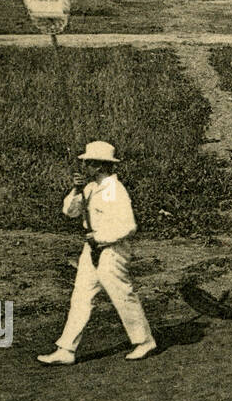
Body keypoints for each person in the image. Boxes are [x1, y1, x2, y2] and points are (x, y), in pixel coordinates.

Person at [37, 141, 156, 365]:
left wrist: (100, 237)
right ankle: (66, 350)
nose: (84, 166)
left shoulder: (114, 190)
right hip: (90, 250)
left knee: (122, 294)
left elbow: (128, 226)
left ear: (100, 166)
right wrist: (76, 189)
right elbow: (69, 212)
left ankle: (144, 341)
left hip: (112, 251)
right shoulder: (91, 188)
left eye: (88, 163)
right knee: (81, 296)